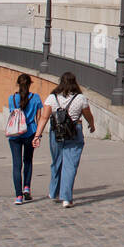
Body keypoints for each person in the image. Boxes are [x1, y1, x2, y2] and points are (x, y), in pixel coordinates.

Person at [34, 72, 95, 208]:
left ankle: (53, 191)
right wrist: (92, 125)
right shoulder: (80, 98)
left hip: (56, 132)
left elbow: (44, 118)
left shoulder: (52, 98)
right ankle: (66, 198)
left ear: (60, 82)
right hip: (74, 131)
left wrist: (37, 136)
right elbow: (88, 115)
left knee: (57, 161)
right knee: (70, 165)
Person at [7, 74, 41, 205]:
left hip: (15, 134)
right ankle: (27, 187)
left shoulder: (12, 98)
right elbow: (38, 117)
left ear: (18, 84)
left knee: (16, 165)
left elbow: (12, 113)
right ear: (30, 84)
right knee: (28, 161)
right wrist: (38, 134)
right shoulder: (36, 98)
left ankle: (18, 196)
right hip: (30, 132)